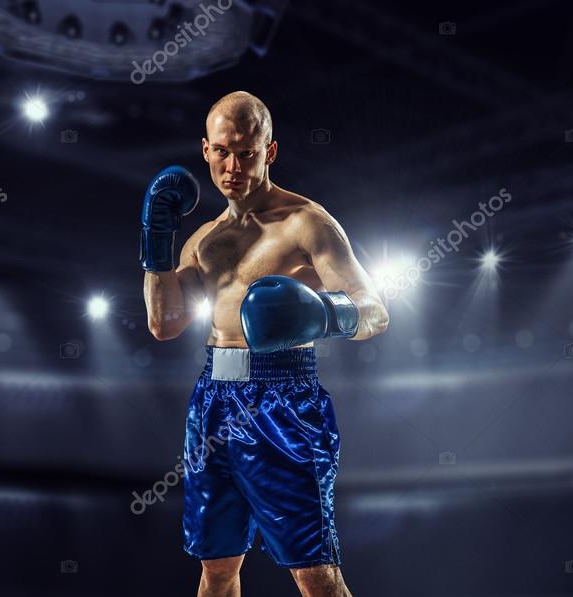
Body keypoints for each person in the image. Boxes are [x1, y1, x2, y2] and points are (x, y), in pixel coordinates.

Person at [141, 91, 388, 597]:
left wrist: (322, 314)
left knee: (313, 572)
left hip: (283, 400)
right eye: (222, 152)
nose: (233, 166)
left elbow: (376, 312)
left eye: (246, 152)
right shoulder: (201, 240)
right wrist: (155, 243)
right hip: (212, 399)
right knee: (216, 567)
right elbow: (164, 325)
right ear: (205, 150)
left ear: (269, 151)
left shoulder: (306, 222)